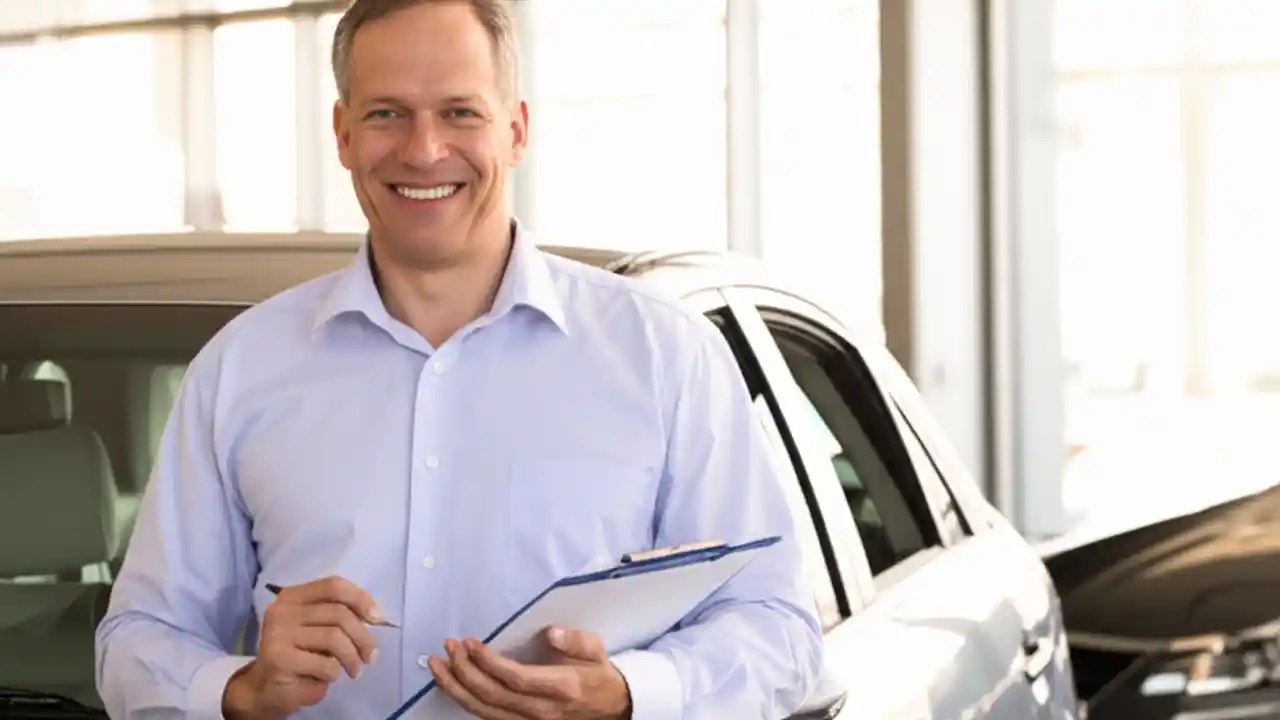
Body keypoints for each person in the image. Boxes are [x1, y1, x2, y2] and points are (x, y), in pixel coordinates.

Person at [94, 0, 823, 717]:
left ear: (516, 130)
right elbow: (138, 638)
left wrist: (630, 693)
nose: (423, 150)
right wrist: (239, 688)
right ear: (343, 134)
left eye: (459, 112)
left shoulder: (665, 355)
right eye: (386, 113)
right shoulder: (242, 369)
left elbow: (780, 628)